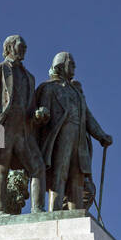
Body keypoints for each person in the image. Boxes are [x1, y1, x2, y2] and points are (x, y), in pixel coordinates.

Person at [34, 52, 112, 211]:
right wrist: (41, 114)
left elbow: (88, 117)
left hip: (79, 138)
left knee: (78, 177)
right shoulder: (48, 88)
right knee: (60, 173)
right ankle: (54, 211)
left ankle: (75, 214)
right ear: (61, 65)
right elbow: (42, 114)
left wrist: (101, 135)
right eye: (72, 64)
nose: (75, 67)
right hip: (59, 135)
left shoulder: (76, 92)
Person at [0, 34, 47, 216]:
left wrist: (37, 115)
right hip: (2, 126)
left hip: (24, 129)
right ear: (10, 47)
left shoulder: (30, 77)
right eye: (22, 45)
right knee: (1, 165)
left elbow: (31, 106)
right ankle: (0, 211)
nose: (25, 48)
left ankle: (38, 209)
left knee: (37, 166)